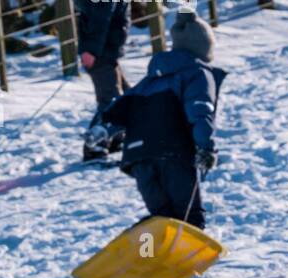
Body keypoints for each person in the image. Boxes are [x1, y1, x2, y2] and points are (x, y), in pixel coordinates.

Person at [100, 8, 226, 230]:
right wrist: (206, 147)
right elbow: (200, 111)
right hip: (173, 153)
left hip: (139, 158)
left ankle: (153, 249)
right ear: (203, 47)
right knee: (189, 218)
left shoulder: (149, 81)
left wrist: (102, 131)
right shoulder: (198, 73)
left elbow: (119, 109)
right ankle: (184, 252)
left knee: (163, 217)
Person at [77, 0, 132, 161]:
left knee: (125, 96)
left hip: (108, 50)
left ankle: (115, 137)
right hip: (100, 52)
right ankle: (94, 147)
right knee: (110, 100)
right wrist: (91, 50)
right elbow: (100, 17)